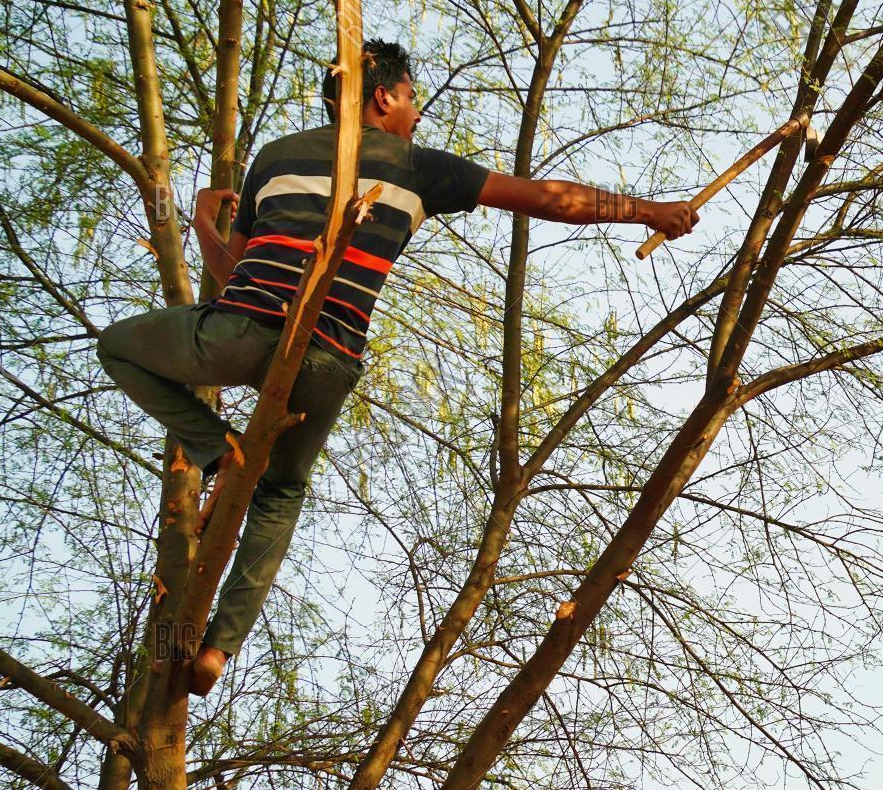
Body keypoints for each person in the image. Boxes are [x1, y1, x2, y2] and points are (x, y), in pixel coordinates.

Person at [97, 39, 699, 696]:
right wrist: (648, 211)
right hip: (329, 358)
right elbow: (550, 198)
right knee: (281, 491)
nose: (416, 113)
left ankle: (217, 450)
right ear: (382, 97)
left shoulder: (273, 156)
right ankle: (218, 649)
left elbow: (232, 275)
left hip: (238, 332)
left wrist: (202, 222)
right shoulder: (416, 166)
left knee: (118, 347)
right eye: (412, 97)